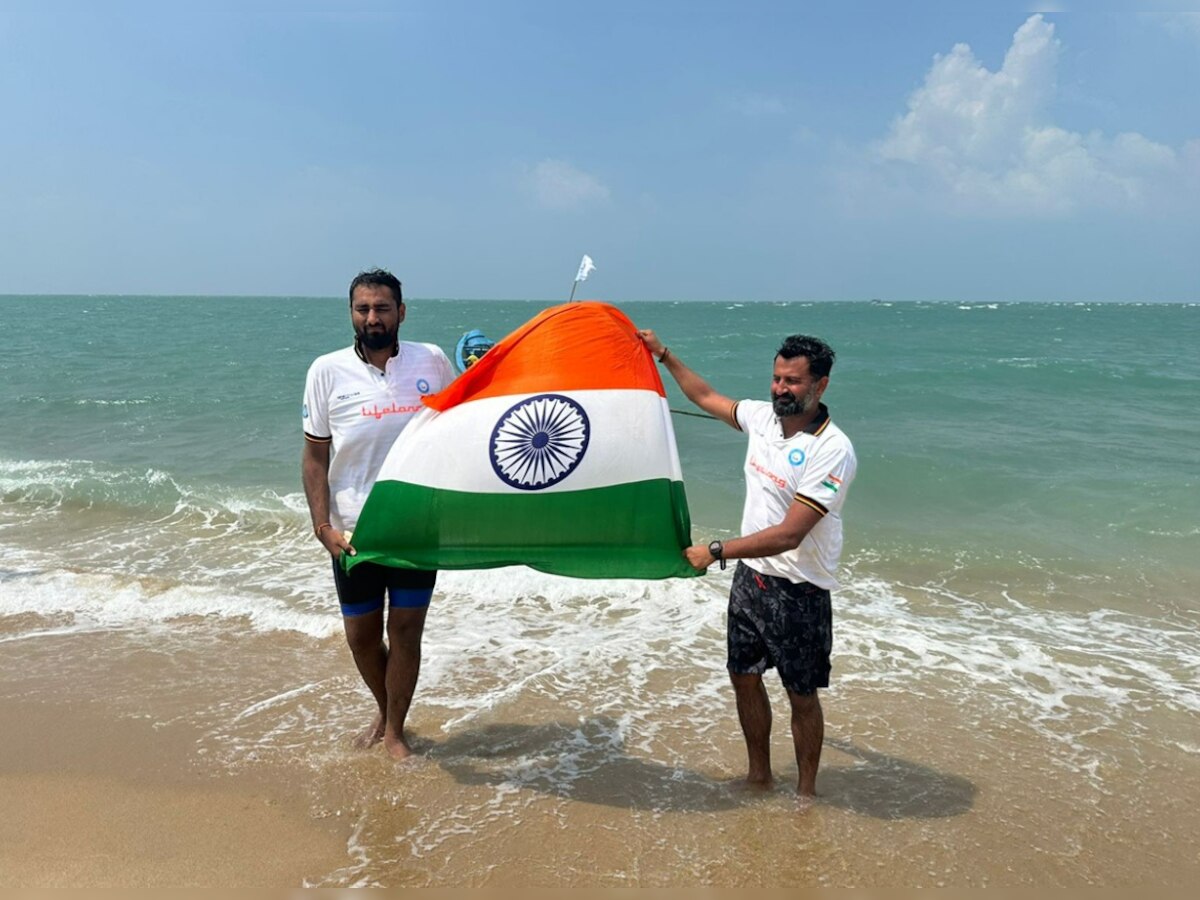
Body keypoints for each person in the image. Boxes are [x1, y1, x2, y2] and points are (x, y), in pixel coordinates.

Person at [636, 329, 857, 796]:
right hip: (751, 581)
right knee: (743, 677)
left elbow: (790, 533)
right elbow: (706, 396)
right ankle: (759, 775)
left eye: (793, 381)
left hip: (800, 588)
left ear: (821, 385)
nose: (780, 388)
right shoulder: (761, 418)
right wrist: (665, 355)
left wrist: (715, 551)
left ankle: (807, 791)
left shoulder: (832, 449)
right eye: (777, 378)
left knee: (801, 694)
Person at [302, 268, 455, 759]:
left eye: (382, 308)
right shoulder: (326, 371)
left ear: (401, 313)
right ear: (352, 313)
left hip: (416, 526)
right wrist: (322, 525)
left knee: (406, 631)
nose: (372, 317)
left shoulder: (431, 359)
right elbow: (314, 456)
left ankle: (395, 732)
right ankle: (385, 710)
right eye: (363, 308)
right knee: (361, 636)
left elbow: (465, 423)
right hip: (354, 530)